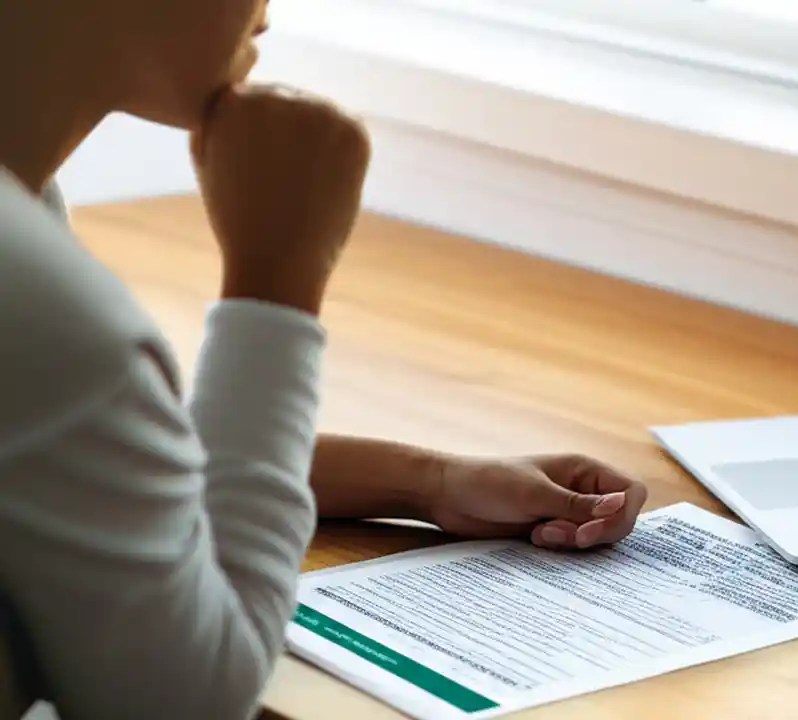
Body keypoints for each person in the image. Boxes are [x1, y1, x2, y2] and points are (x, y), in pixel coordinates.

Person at [0, 1, 648, 718]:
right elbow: (189, 702)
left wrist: (426, 482)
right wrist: (277, 281)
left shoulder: (28, 211)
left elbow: (83, 468)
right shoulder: (34, 297)